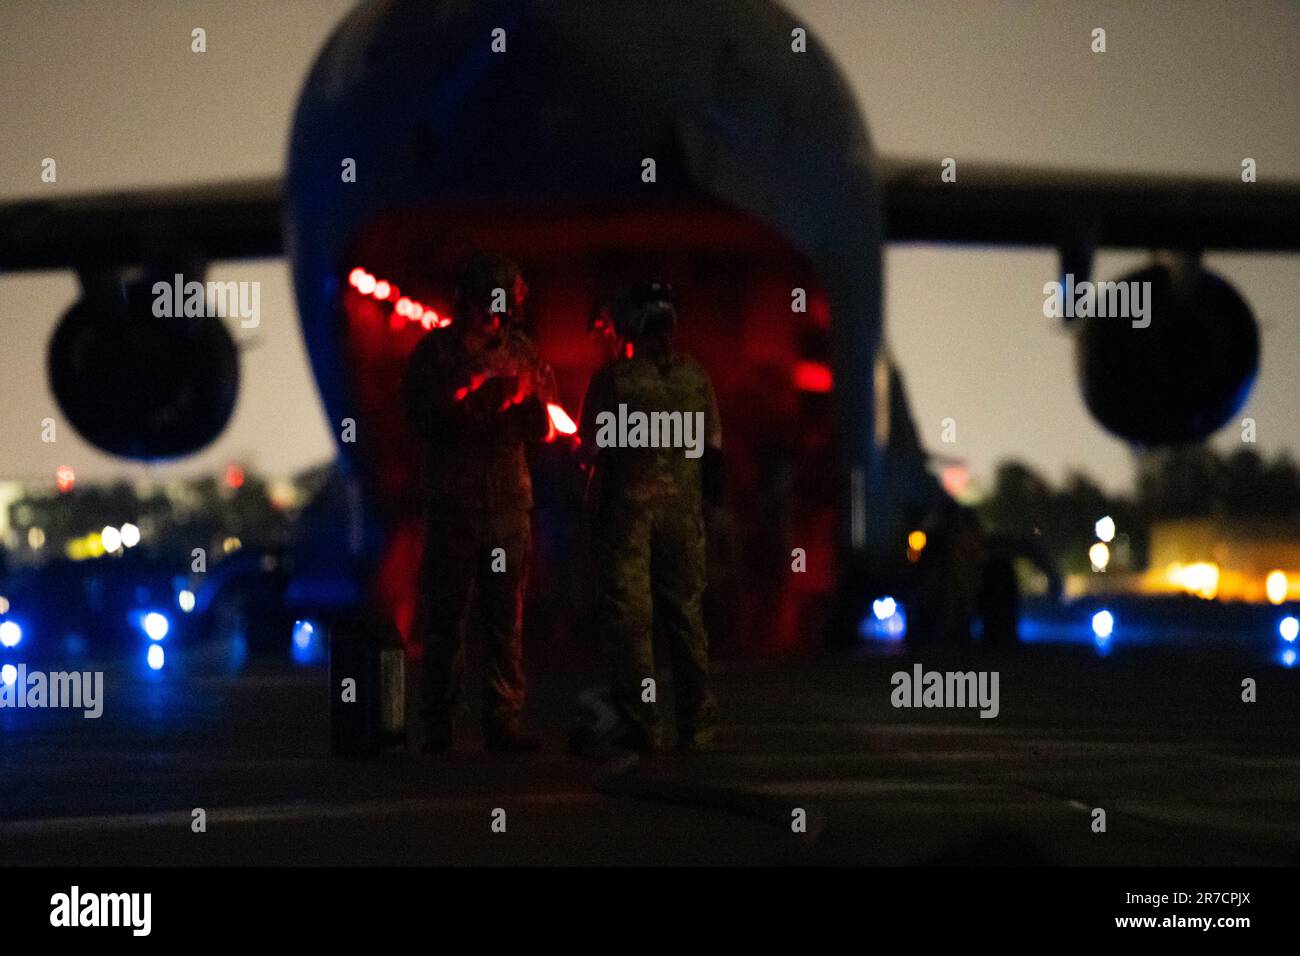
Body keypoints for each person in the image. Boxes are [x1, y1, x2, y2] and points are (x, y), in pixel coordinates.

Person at [401, 251, 556, 752]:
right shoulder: (435, 355)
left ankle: (503, 720)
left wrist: (526, 403)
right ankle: (439, 724)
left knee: (504, 619)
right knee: (445, 619)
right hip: (454, 508)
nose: (497, 315)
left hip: (508, 508)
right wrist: (467, 388)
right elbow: (418, 419)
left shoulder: (524, 353)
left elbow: (546, 429)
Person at [579, 282, 723, 753]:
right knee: (687, 618)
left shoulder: (612, 379)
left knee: (633, 623)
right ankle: (697, 726)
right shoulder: (697, 377)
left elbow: (591, 451)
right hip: (684, 518)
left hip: (629, 520)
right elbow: (714, 452)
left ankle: (644, 726)